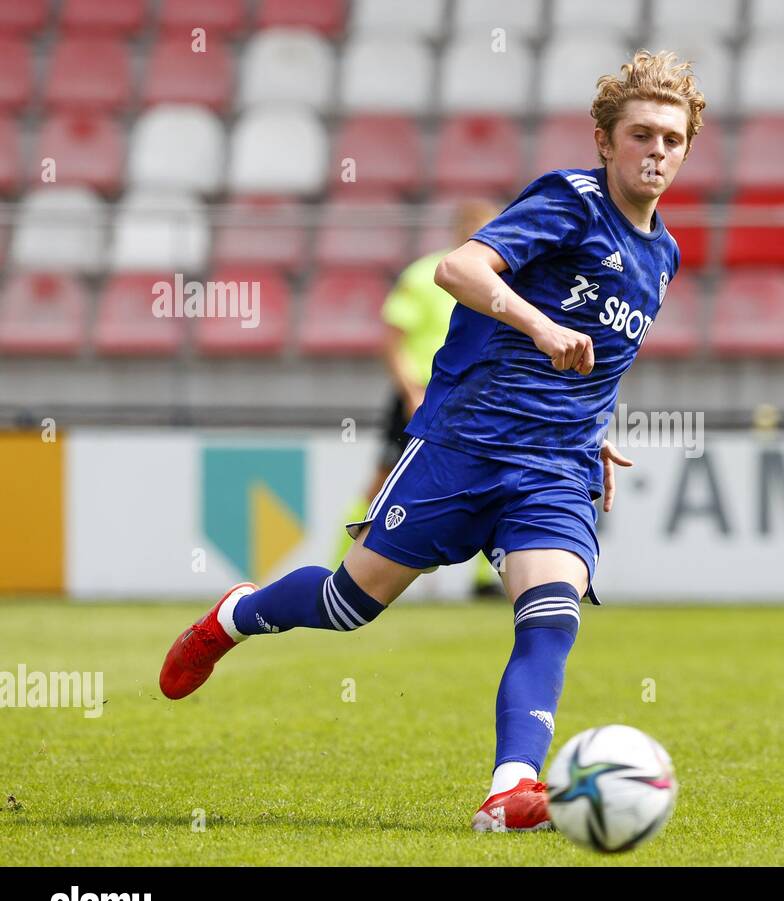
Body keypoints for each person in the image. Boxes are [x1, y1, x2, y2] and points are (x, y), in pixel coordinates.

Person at [159, 50, 706, 832]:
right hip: (466, 442)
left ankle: (507, 792)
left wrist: (597, 429)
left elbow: (608, 354)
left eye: (673, 140)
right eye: (643, 134)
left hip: (556, 464)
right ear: (604, 139)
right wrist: (540, 322)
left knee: (550, 615)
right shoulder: (568, 202)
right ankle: (234, 617)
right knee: (348, 605)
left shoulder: (664, 254)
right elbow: (460, 267)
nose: (658, 152)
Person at [336, 199, 502, 597]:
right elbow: (392, 341)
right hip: (423, 394)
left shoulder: (502, 279)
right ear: (458, 230)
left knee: (491, 480)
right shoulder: (425, 274)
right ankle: (337, 570)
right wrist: (409, 390)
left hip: (477, 396)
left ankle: (483, 582)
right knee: (380, 483)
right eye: (475, 228)